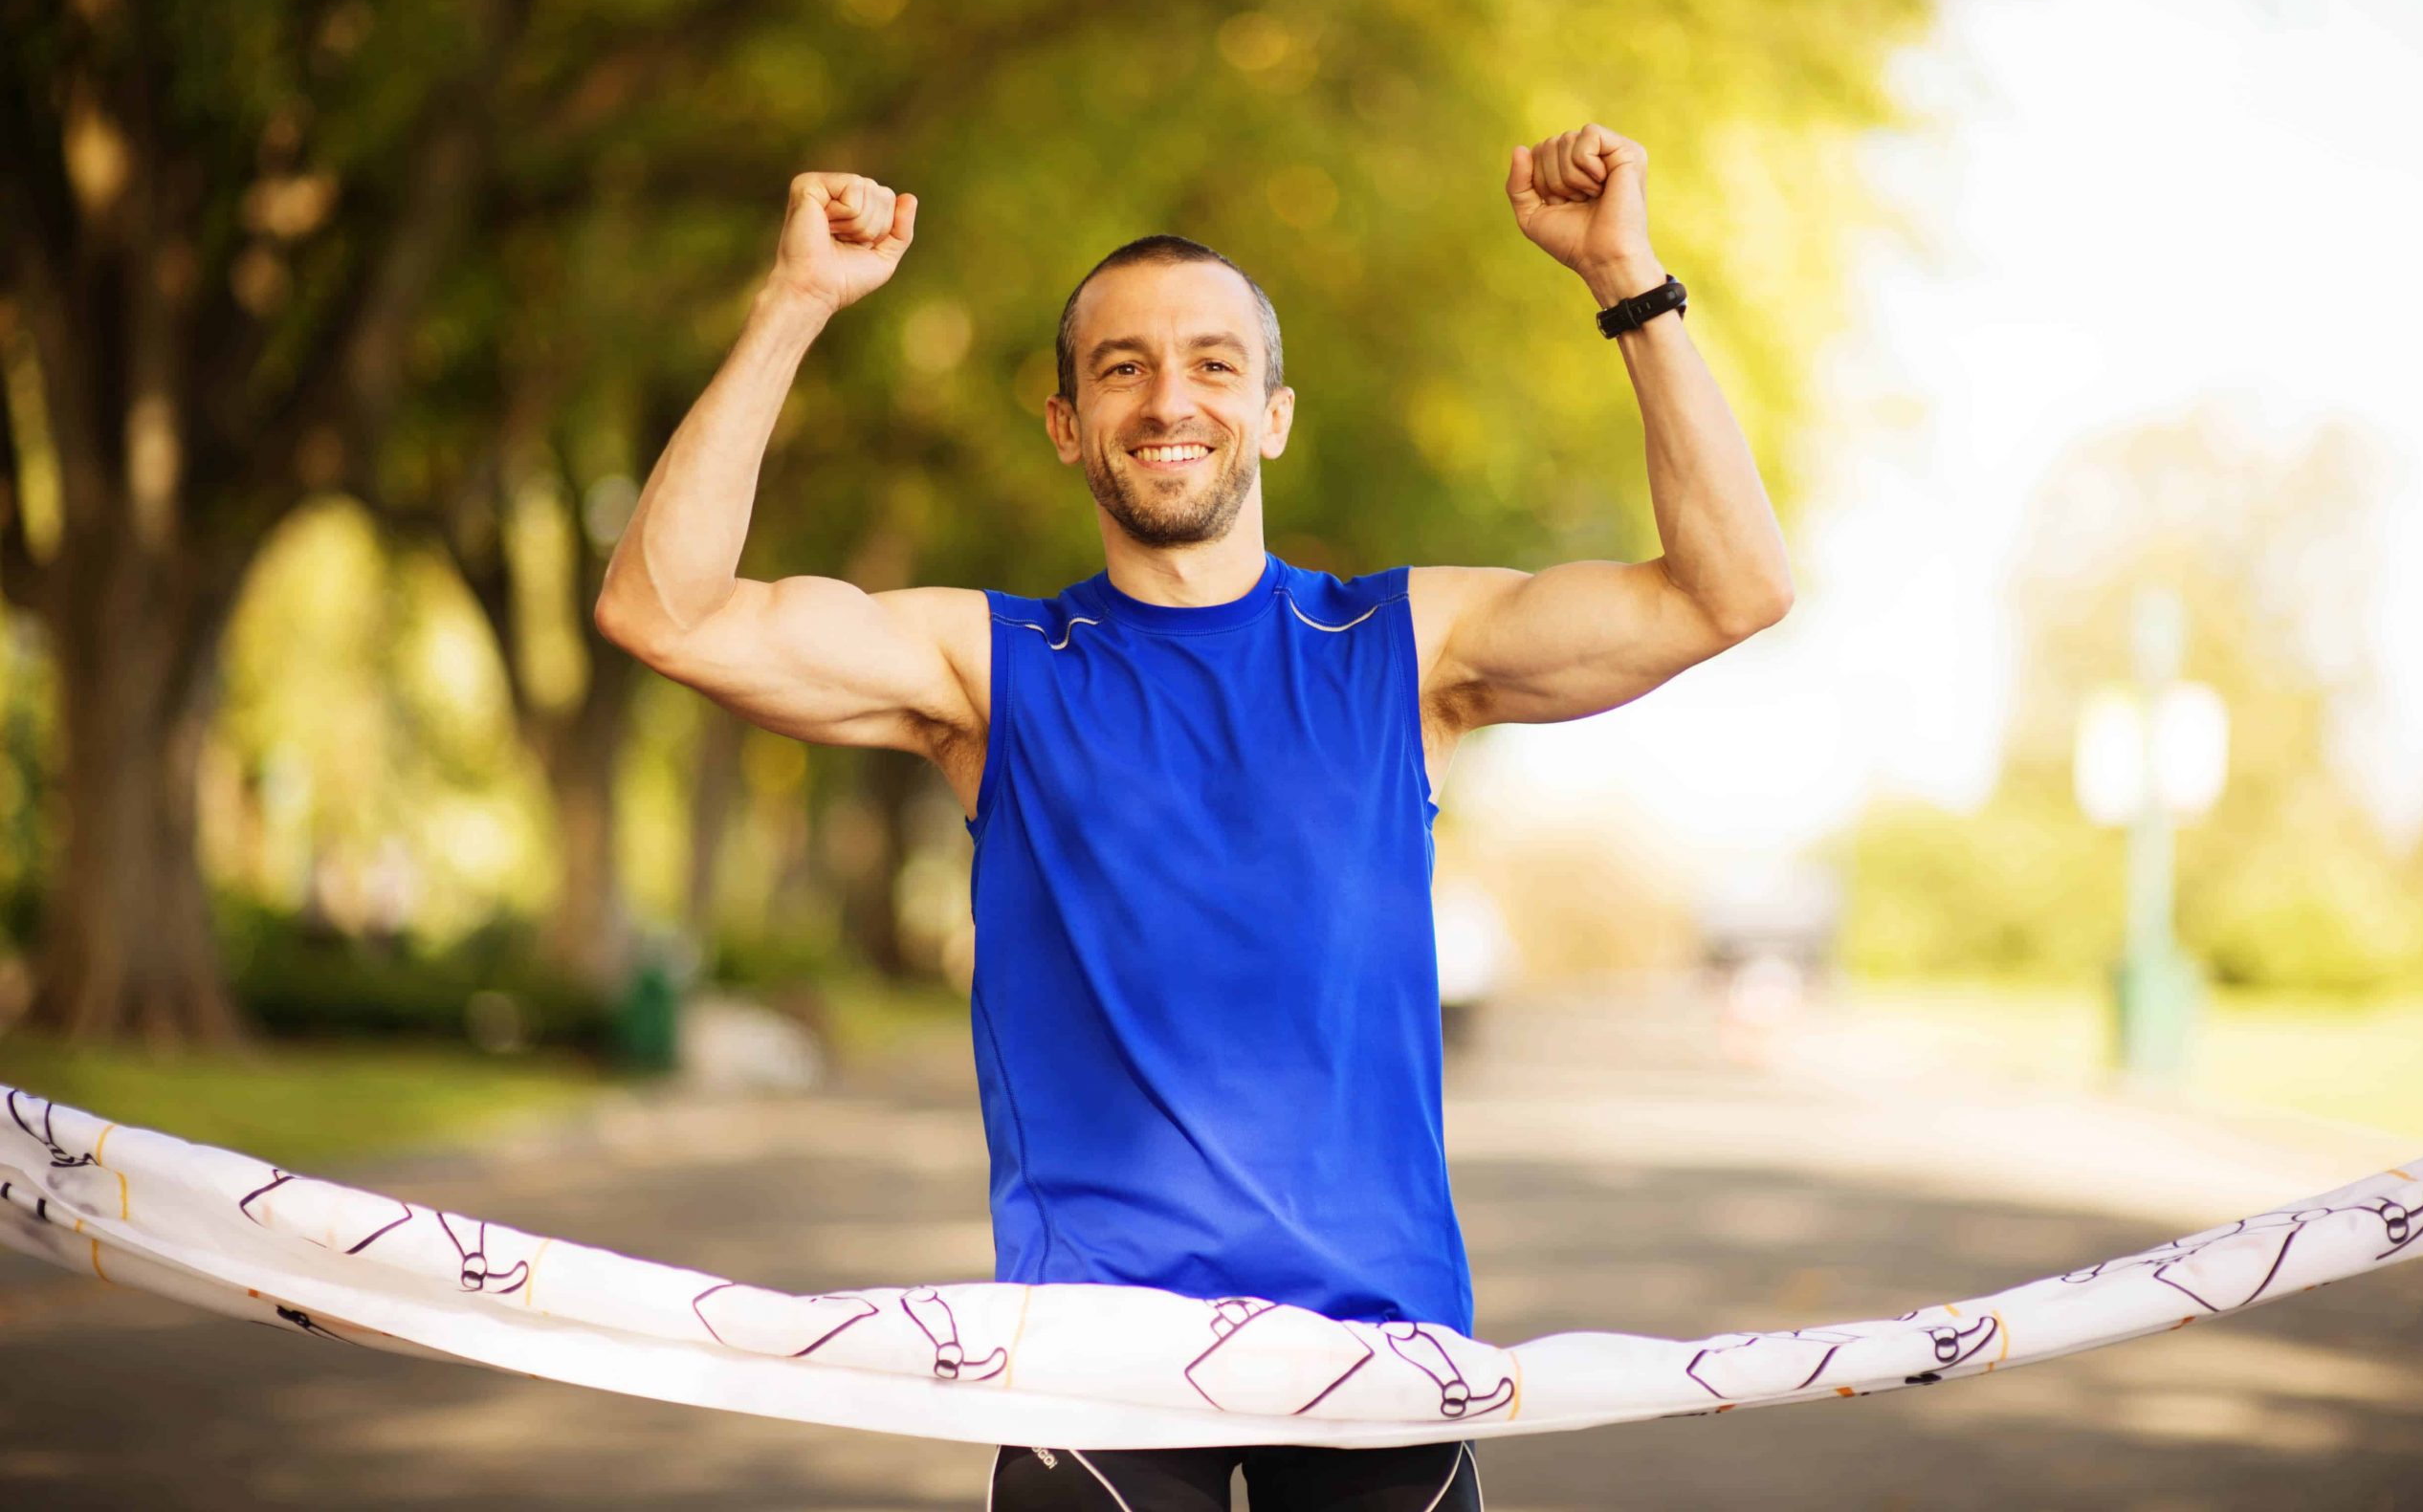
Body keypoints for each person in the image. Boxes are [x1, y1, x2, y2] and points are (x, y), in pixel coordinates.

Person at [594, 122, 1794, 1511]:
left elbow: (1732, 589)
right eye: (1123, 368)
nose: (1172, 399)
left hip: (1380, 1362)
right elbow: (658, 608)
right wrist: (795, 301)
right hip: (1095, 1368)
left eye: (1215, 364)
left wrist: (1626, 277)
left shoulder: (1402, 645)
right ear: (1065, 425)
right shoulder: (992, 671)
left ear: (1274, 413)